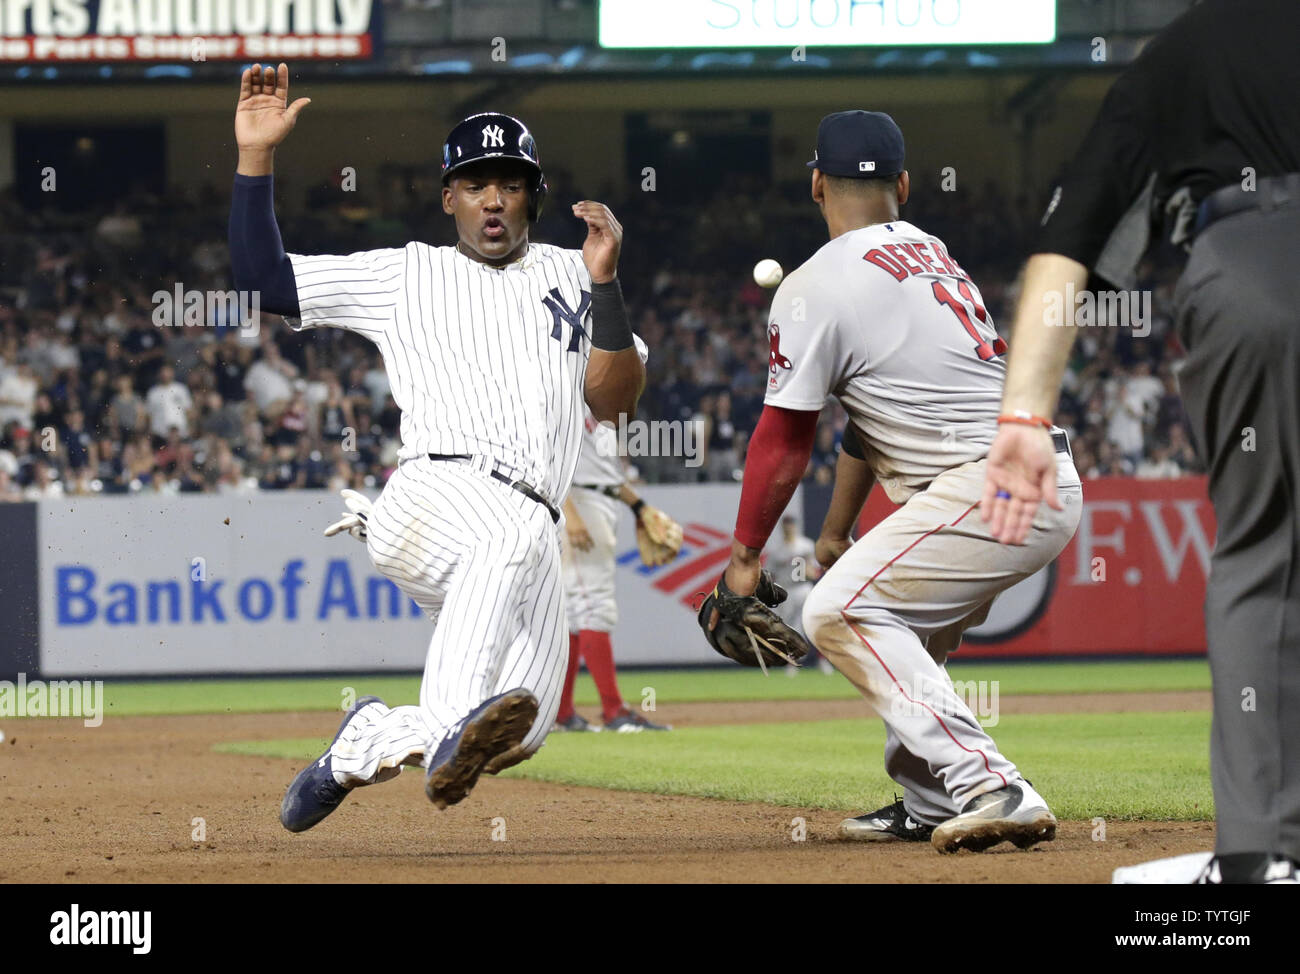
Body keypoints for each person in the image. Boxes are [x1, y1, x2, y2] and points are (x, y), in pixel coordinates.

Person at [227, 63, 645, 832]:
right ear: (448, 196)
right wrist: (257, 159)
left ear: (534, 197)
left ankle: (364, 744)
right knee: (509, 542)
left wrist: (607, 285)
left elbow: (614, 401)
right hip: (436, 499)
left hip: (532, 525)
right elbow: (265, 279)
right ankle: (447, 723)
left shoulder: (574, 275)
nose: (494, 197)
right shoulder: (404, 273)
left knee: (523, 727)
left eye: (511, 184)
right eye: (476, 182)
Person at [979, 0, 1300, 884]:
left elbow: (1068, 245)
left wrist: (1023, 418)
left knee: (1266, 557)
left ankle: (1264, 860)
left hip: (1257, 264)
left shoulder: (1187, 49)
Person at [711, 110, 1082, 854]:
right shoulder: (930, 251)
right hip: (1035, 474)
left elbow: (784, 439)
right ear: (904, 185)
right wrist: (834, 530)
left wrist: (746, 556)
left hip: (982, 485)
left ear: (816, 182)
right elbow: (865, 418)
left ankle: (990, 783)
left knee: (835, 612)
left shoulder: (815, 285)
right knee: (905, 635)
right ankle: (926, 797)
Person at [554, 402, 674, 733]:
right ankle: (613, 710)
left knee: (576, 613)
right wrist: (571, 513)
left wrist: (639, 506)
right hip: (580, 501)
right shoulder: (567, 397)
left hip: (601, 500)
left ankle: (562, 713)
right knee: (595, 606)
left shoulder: (599, 405)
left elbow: (606, 474)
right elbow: (548, 459)